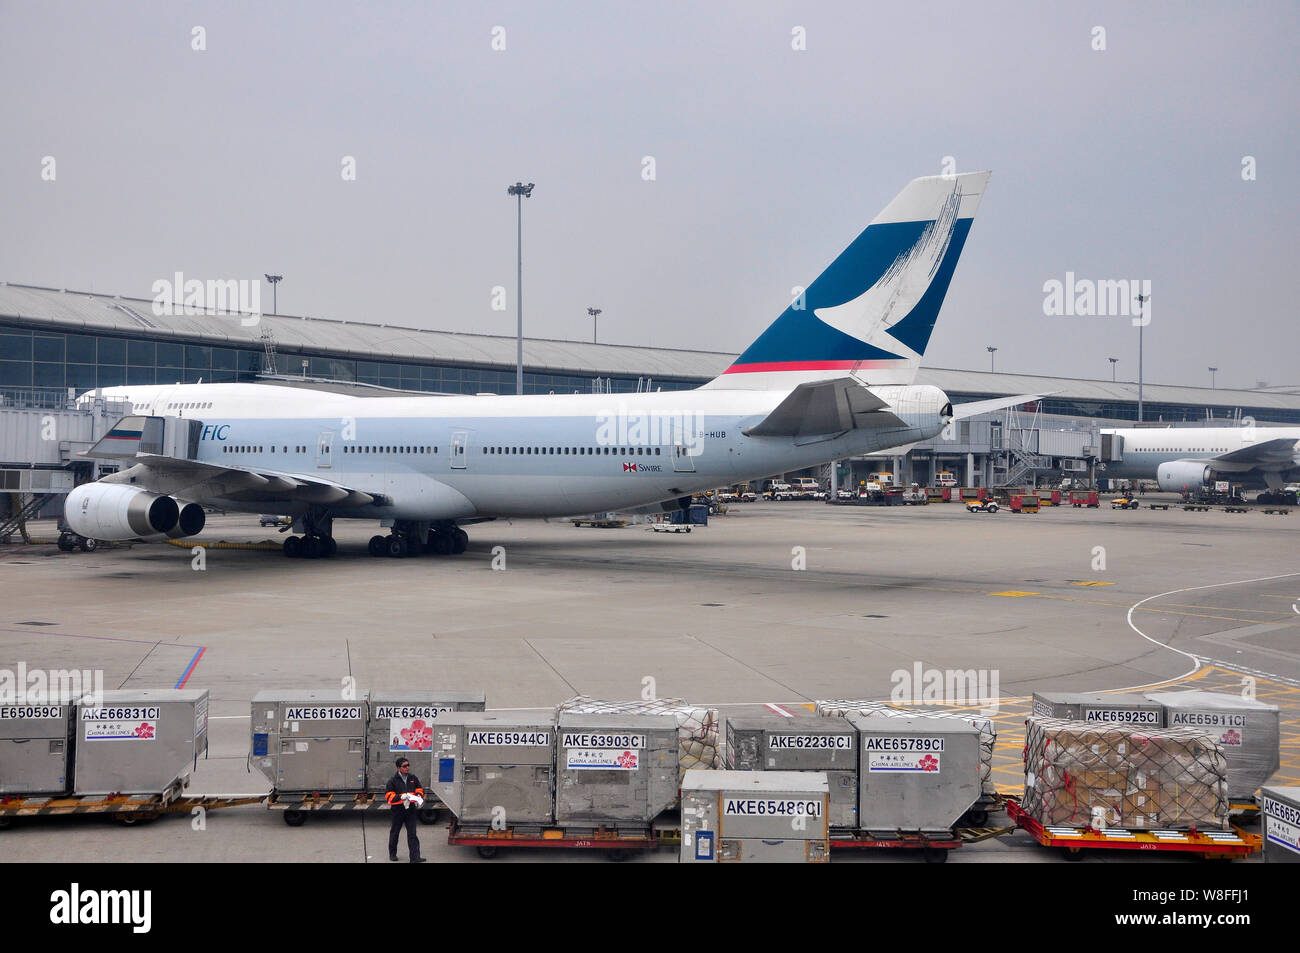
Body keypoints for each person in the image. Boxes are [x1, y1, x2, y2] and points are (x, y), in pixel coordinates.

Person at [385, 756, 427, 863]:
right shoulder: (392, 781)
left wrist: (418, 796)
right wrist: (401, 797)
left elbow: (419, 789)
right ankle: (392, 854)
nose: (407, 768)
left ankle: (415, 858)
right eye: (405, 766)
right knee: (395, 833)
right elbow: (389, 797)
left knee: (412, 834)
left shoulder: (413, 778)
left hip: (410, 811)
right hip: (398, 811)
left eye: (408, 765)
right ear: (398, 768)